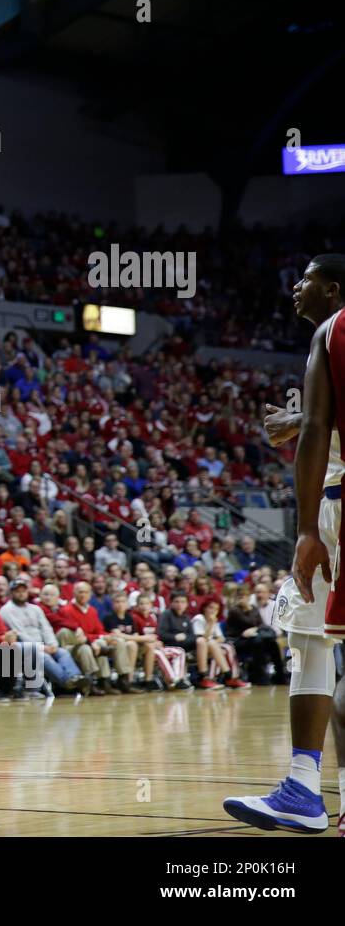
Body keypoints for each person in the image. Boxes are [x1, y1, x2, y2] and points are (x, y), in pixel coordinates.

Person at [227, 255, 345, 835]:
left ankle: (304, 787)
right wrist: (304, 417)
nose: (297, 288)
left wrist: (303, 531)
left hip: (337, 507)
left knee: (310, 643)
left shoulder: (333, 331)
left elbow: (323, 428)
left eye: (307, 279)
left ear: (334, 289)